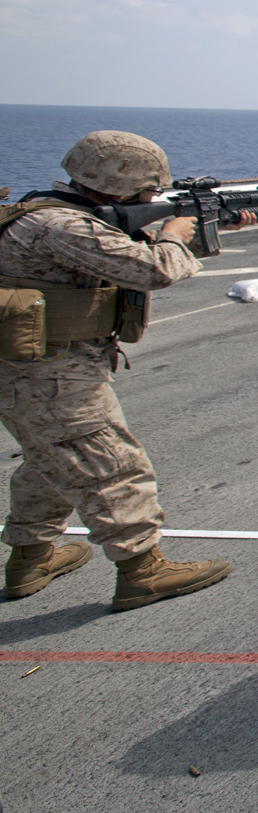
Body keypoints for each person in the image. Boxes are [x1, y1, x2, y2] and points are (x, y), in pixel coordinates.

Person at [0, 131, 244, 610]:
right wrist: (174, 236)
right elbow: (153, 270)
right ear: (123, 185)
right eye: (150, 189)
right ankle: (142, 570)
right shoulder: (63, 226)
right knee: (109, 464)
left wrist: (205, 229)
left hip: (32, 368)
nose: (154, 196)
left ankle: (29, 560)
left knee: (52, 463)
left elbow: (113, 256)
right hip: (51, 374)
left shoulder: (42, 211)